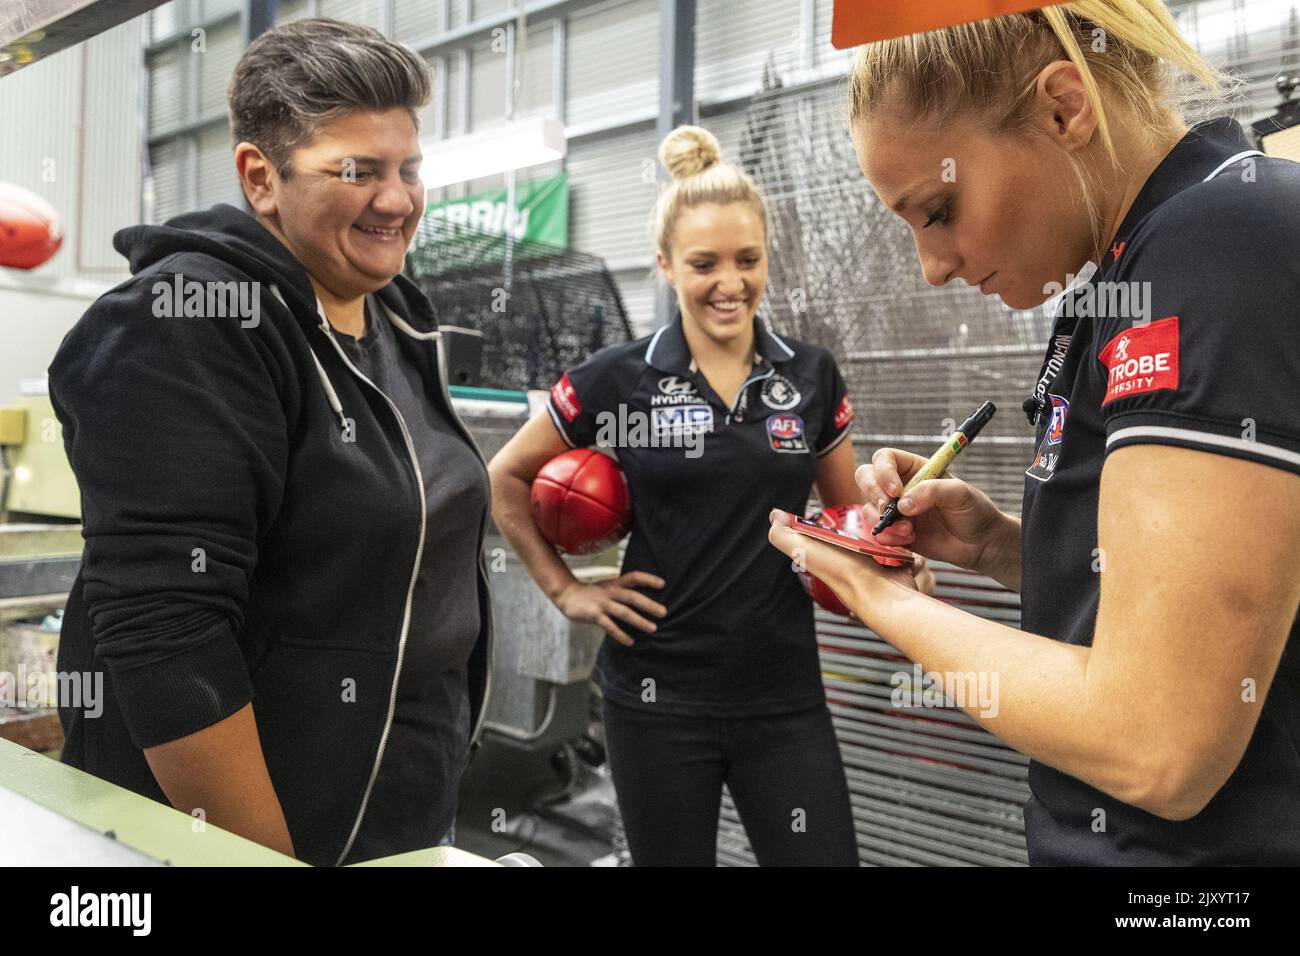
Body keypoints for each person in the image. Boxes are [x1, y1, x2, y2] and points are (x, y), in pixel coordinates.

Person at [768, 0, 1300, 864]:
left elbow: (1158, 743)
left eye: (938, 210)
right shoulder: (1131, 270)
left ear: (1065, 107)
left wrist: (879, 598)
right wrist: (1009, 551)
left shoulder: (1215, 245)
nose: (932, 268)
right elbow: (1186, 612)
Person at [48, 19, 492, 867]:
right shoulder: (188, 324)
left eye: (408, 169)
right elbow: (168, 633)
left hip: (393, 815)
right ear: (260, 176)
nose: (397, 199)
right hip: (242, 839)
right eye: (357, 170)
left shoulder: (398, 316)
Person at [490, 125, 932, 866]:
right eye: (704, 264)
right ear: (665, 265)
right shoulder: (619, 378)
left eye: (747, 259)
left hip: (783, 695)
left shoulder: (811, 377)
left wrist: (891, 559)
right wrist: (567, 593)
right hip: (655, 698)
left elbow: (838, 523)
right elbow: (505, 476)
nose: (729, 282)